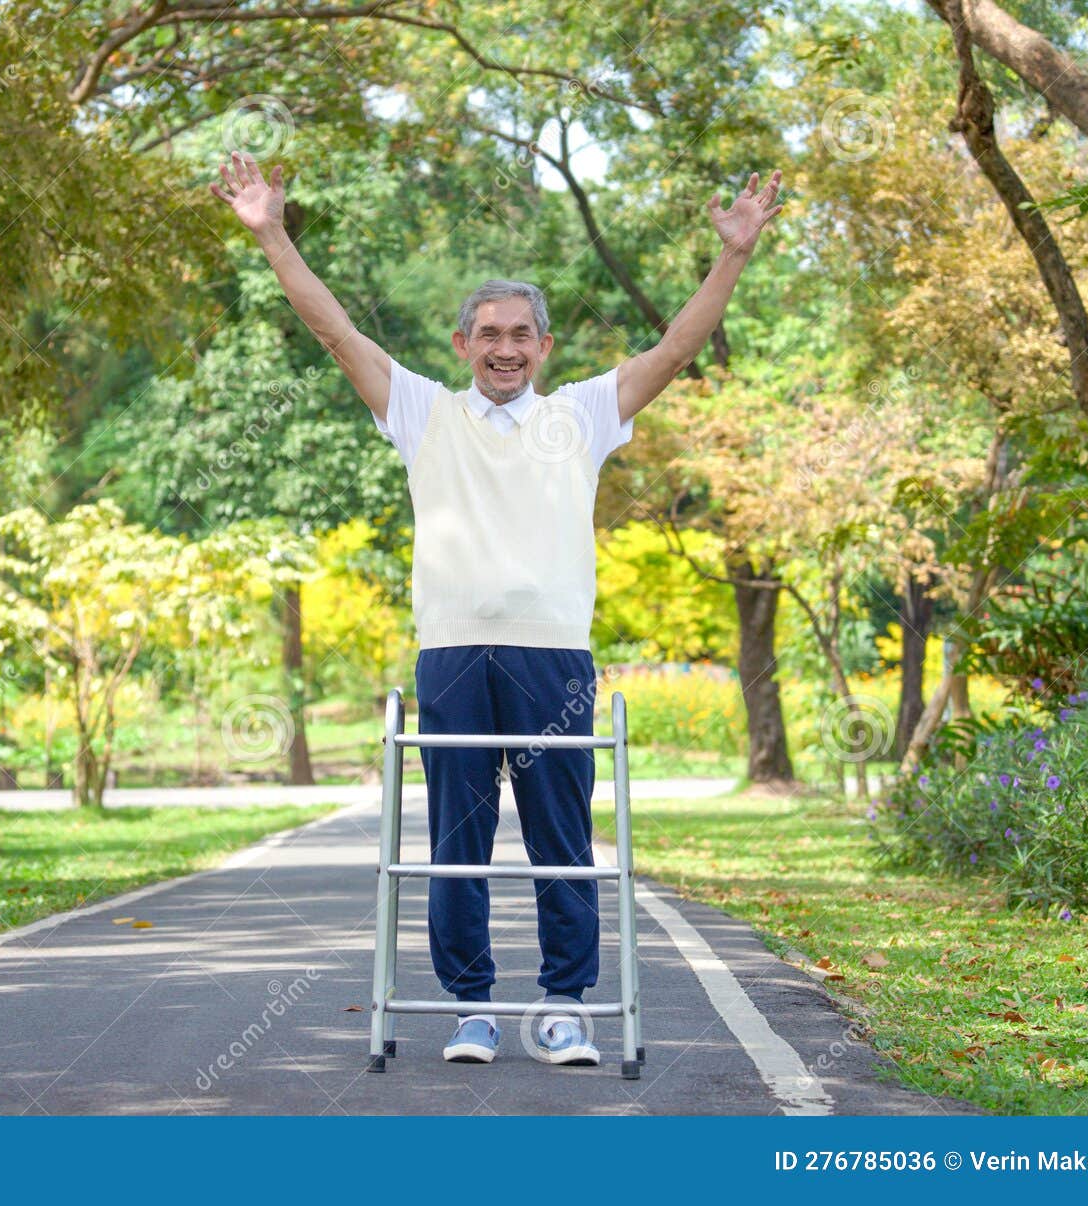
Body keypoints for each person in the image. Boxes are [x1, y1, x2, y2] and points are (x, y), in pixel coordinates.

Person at [211, 151, 783, 1067]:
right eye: (489, 333)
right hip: (453, 656)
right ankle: (469, 1008)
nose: (505, 347)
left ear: (544, 347)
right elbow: (335, 334)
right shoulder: (422, 413)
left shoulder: (586, 414)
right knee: (455, 846)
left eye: (521, 333)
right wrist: (271, 233)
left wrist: (735, 256)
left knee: (561, 841)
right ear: (463, 345)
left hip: (552, 658)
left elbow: (676, 348)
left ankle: (564, 1007)